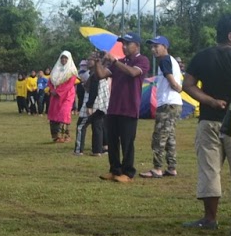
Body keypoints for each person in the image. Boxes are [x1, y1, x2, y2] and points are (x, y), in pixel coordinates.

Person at [181, 14, 231, 231]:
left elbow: (188, 85)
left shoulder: (202, 56)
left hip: (209, 119)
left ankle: (210, 218)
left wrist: (210, 100)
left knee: (209, 169)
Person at [100, 33, 150, 183]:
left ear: (137, 46)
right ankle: (114, 169)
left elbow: (132, 72)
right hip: (114, 107)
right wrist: (97, 62)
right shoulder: (120, 62)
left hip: (129, 108)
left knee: (127, 142)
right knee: (112, 141)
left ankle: (128, 172)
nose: (124, 46)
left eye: (128, 43)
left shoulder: (142, 60)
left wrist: (114, 61)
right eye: (123, 43)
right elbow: (101, 74)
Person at [141, 35, 184, 178]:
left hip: (167, 103)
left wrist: (176, 87)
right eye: (151, 47)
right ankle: (172, 167)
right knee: (170, 136)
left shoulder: (164, 60)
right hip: (175, 103)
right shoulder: (172, 60)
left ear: (165, 47)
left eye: (156, 46)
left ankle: (157, 168)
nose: (153, 50)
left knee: (159, 136)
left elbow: (169, 77)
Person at [75, 55, 110, 156]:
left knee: (81, 126)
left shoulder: (95, 74)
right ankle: (97, 151)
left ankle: (78, 150)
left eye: (92, 60)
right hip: (102, 104)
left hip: (93, 103)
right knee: (97, 127)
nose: (89, 61)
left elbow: (93, 91)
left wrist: (89, 105)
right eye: (88, 59)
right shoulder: (102, 72)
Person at [46, 51, 78, 143]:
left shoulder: (72, 71)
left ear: (69, 59)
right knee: (54, 113)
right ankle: (56, 136)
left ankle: (65, 135)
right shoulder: (56, 69)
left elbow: (70, 84)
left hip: (67, 95)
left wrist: (58, 92)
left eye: (65, 58)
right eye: (62, 58)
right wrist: (52, 90)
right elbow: (50, 81)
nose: (64, 60)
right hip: (55, 96)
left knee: (64, 113)